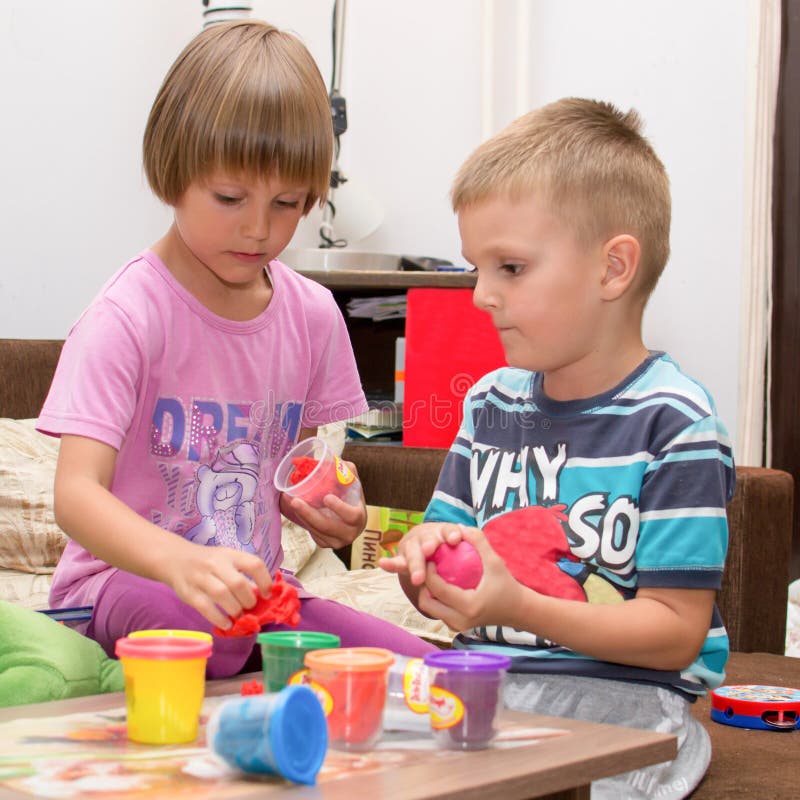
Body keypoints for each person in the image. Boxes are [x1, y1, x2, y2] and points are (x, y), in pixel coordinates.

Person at [38, 20, 436, 678]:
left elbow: (297, 477)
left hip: (256, 599)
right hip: (119, 588)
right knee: (213, 634)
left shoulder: (310, 315)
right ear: (173, 175)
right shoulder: (128, 315)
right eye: (229, 198)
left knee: (422, 670)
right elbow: (76, 496)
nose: (258, 228)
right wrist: (179, 562)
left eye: (286, 203)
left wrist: (334, 511)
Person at [380, 98, 734, 798]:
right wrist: (424, 570)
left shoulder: (676, 422)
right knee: (366, 713)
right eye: (476, 267)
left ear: (613, 270)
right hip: (482, 681)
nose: (481, 295)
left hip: (622, 696)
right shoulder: (489, 405)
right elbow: (439, 564)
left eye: (510, 268)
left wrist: (517, 607)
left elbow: (674, 634)